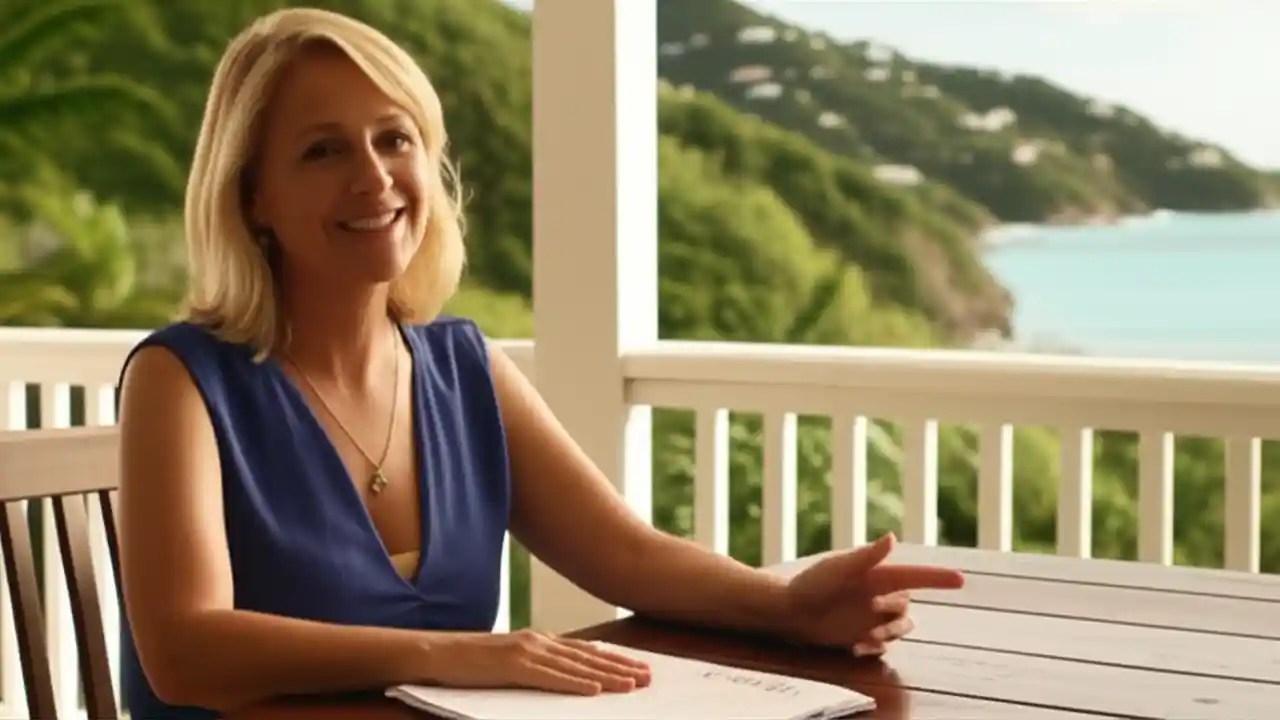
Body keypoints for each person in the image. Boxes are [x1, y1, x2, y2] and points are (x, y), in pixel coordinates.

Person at [115, 7, 965, 719]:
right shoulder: (181, 380)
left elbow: (628, 557)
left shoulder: (464, 369)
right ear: (251, 197)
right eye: (323, 151)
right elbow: (188, 653)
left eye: (394, 139)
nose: (374, 177)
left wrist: (786, 607)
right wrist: (467, 656)